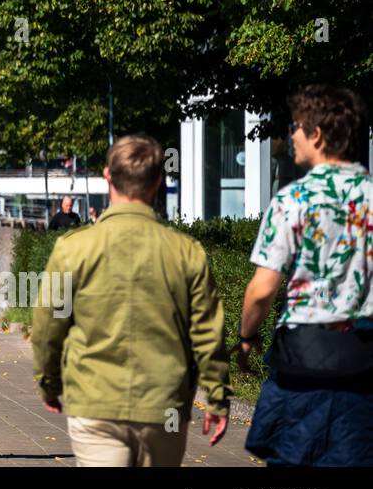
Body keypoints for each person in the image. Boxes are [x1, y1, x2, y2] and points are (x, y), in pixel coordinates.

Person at [32, 134, 231, 466]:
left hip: (95, 403)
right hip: (164, 406)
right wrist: (218, 396)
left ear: (107, 176)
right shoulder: (186, 252)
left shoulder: (73, 248)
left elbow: (49, 325)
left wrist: (49, 383)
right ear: (158, 180)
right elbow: (208, 333)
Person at [240, 85, 373, 466]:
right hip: (364, 367)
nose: (291, 135)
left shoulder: (292, 200)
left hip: (303, 365)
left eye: (295, 126)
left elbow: (262, 290)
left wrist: (246, 337)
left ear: (316, 135)